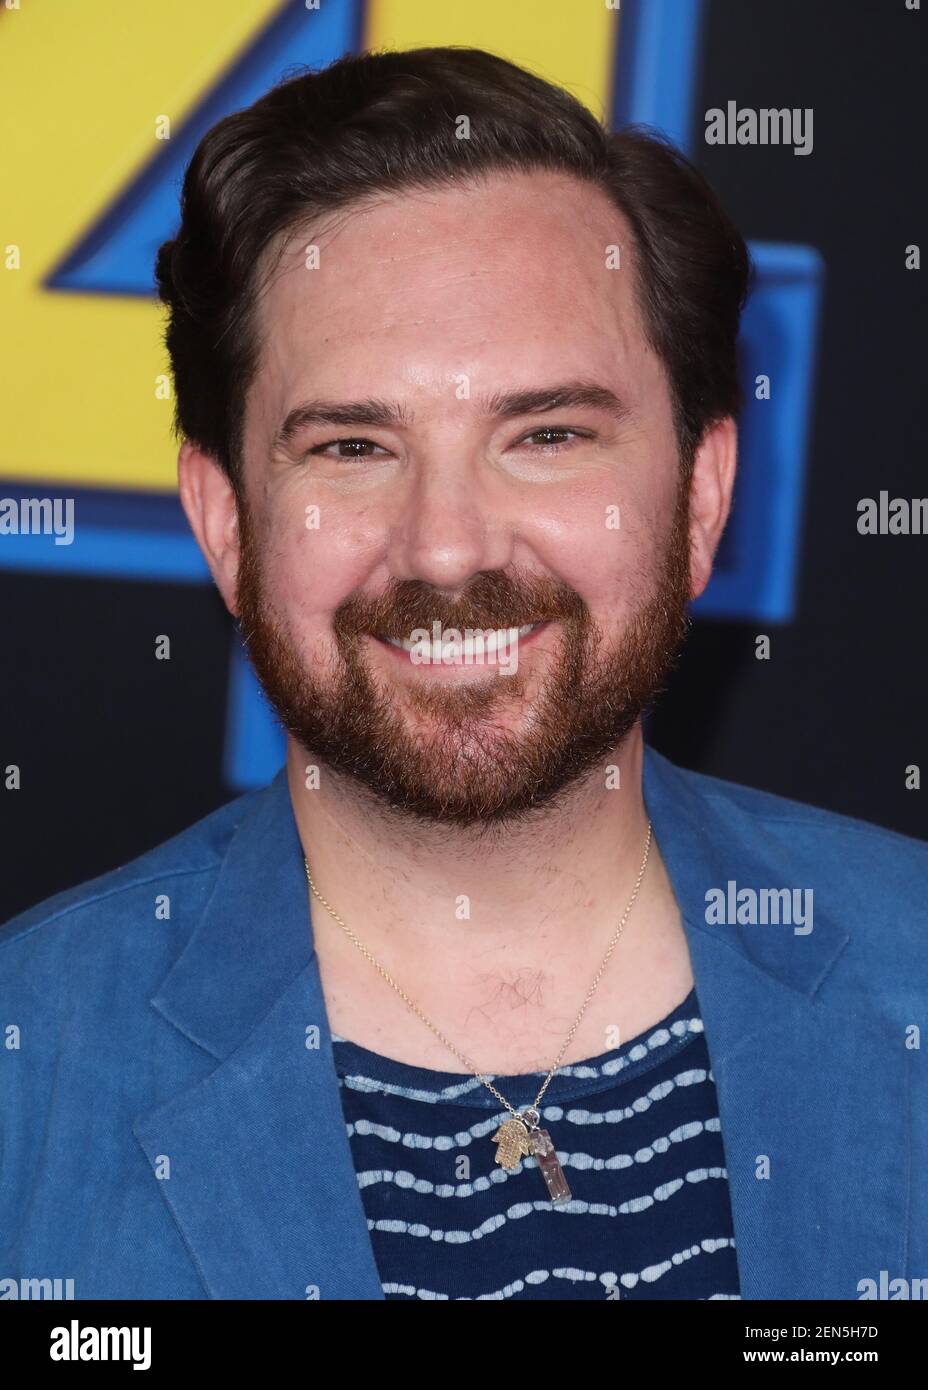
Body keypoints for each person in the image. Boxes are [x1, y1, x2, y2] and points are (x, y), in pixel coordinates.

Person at [1, 46, 925, 1303]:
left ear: (702, 495)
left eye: (545, 435)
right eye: (351, 444)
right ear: (225, 525)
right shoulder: (29, 1071)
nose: (445, 546)